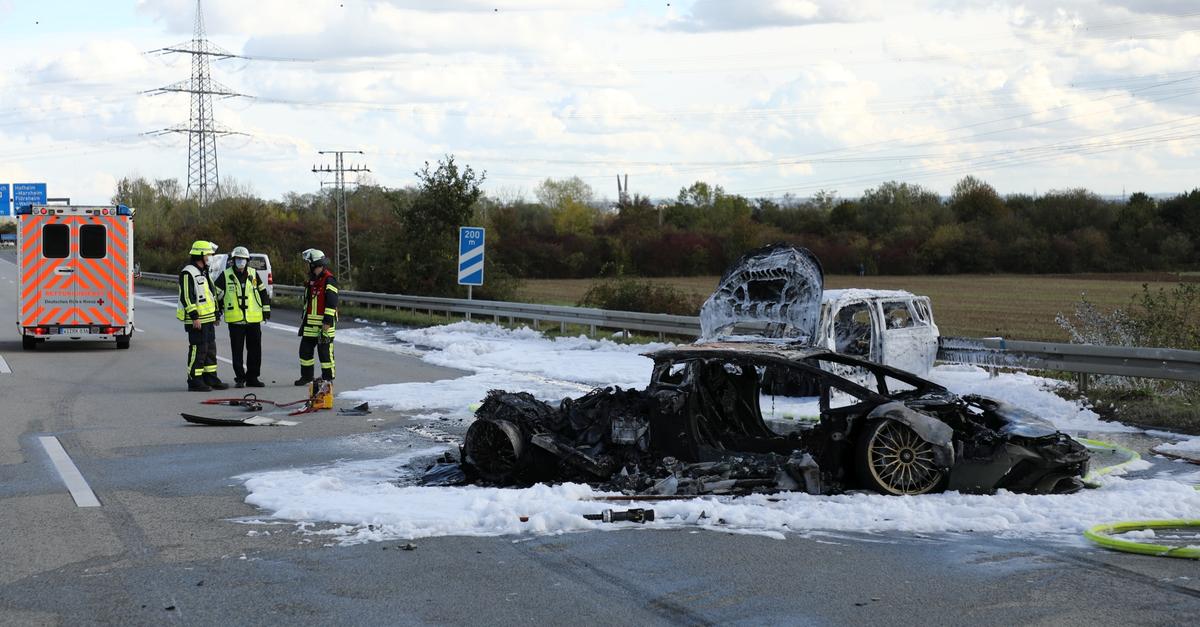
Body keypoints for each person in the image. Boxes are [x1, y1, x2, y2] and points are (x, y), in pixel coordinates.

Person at [213, 246, 271, 388]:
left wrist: (266, 310)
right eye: (238, 259)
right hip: (236, 321)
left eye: (243, 260)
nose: (241, 262)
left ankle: (253, 378)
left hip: (253, 320)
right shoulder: (225, 275)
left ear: (247, 261)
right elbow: (216, 295)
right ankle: (240, 378)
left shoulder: (253, 274)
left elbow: (263, 293)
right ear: (233, 260)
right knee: (237, 351)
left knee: (255, 350)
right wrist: (217, 312)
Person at [177, 240, 228, 391]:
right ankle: (194, 380)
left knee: (210, 350)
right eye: (208, 254)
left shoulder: (205, 273)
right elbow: (186, 297)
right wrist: (194, 317)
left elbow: (211, 295)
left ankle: (210, 379)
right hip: (197, 320)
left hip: (208, 319)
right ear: (200, 255)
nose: (211, 257)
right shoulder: (188, 273)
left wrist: (216, 314)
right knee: (198, 350)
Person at [295, 248, 338, 386]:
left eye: (310, 264)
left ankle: (328, 378)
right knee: (305, 351)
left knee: (325, 354)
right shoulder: (313, 280)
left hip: (324, 325)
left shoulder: (329, 280)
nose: (309, 267)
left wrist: (327, 322)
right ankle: (307, 376)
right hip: (310, 325)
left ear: (315, 265)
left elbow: (332, 302)